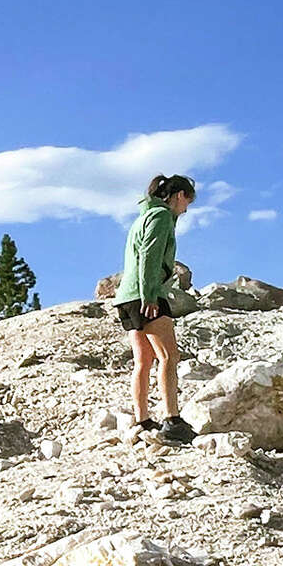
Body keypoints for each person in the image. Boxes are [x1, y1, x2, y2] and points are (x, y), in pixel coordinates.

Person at [112, 174, 196, 444]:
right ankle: (172, 420)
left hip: (126, 297)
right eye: (187, 203)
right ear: (179, 196)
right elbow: (149, 255)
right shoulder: (160, 218)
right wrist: (150, 296)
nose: (186, 210)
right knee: (170, 357)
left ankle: (143, 420)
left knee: (143, 361)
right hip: (146, 294)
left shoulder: (142, 218)